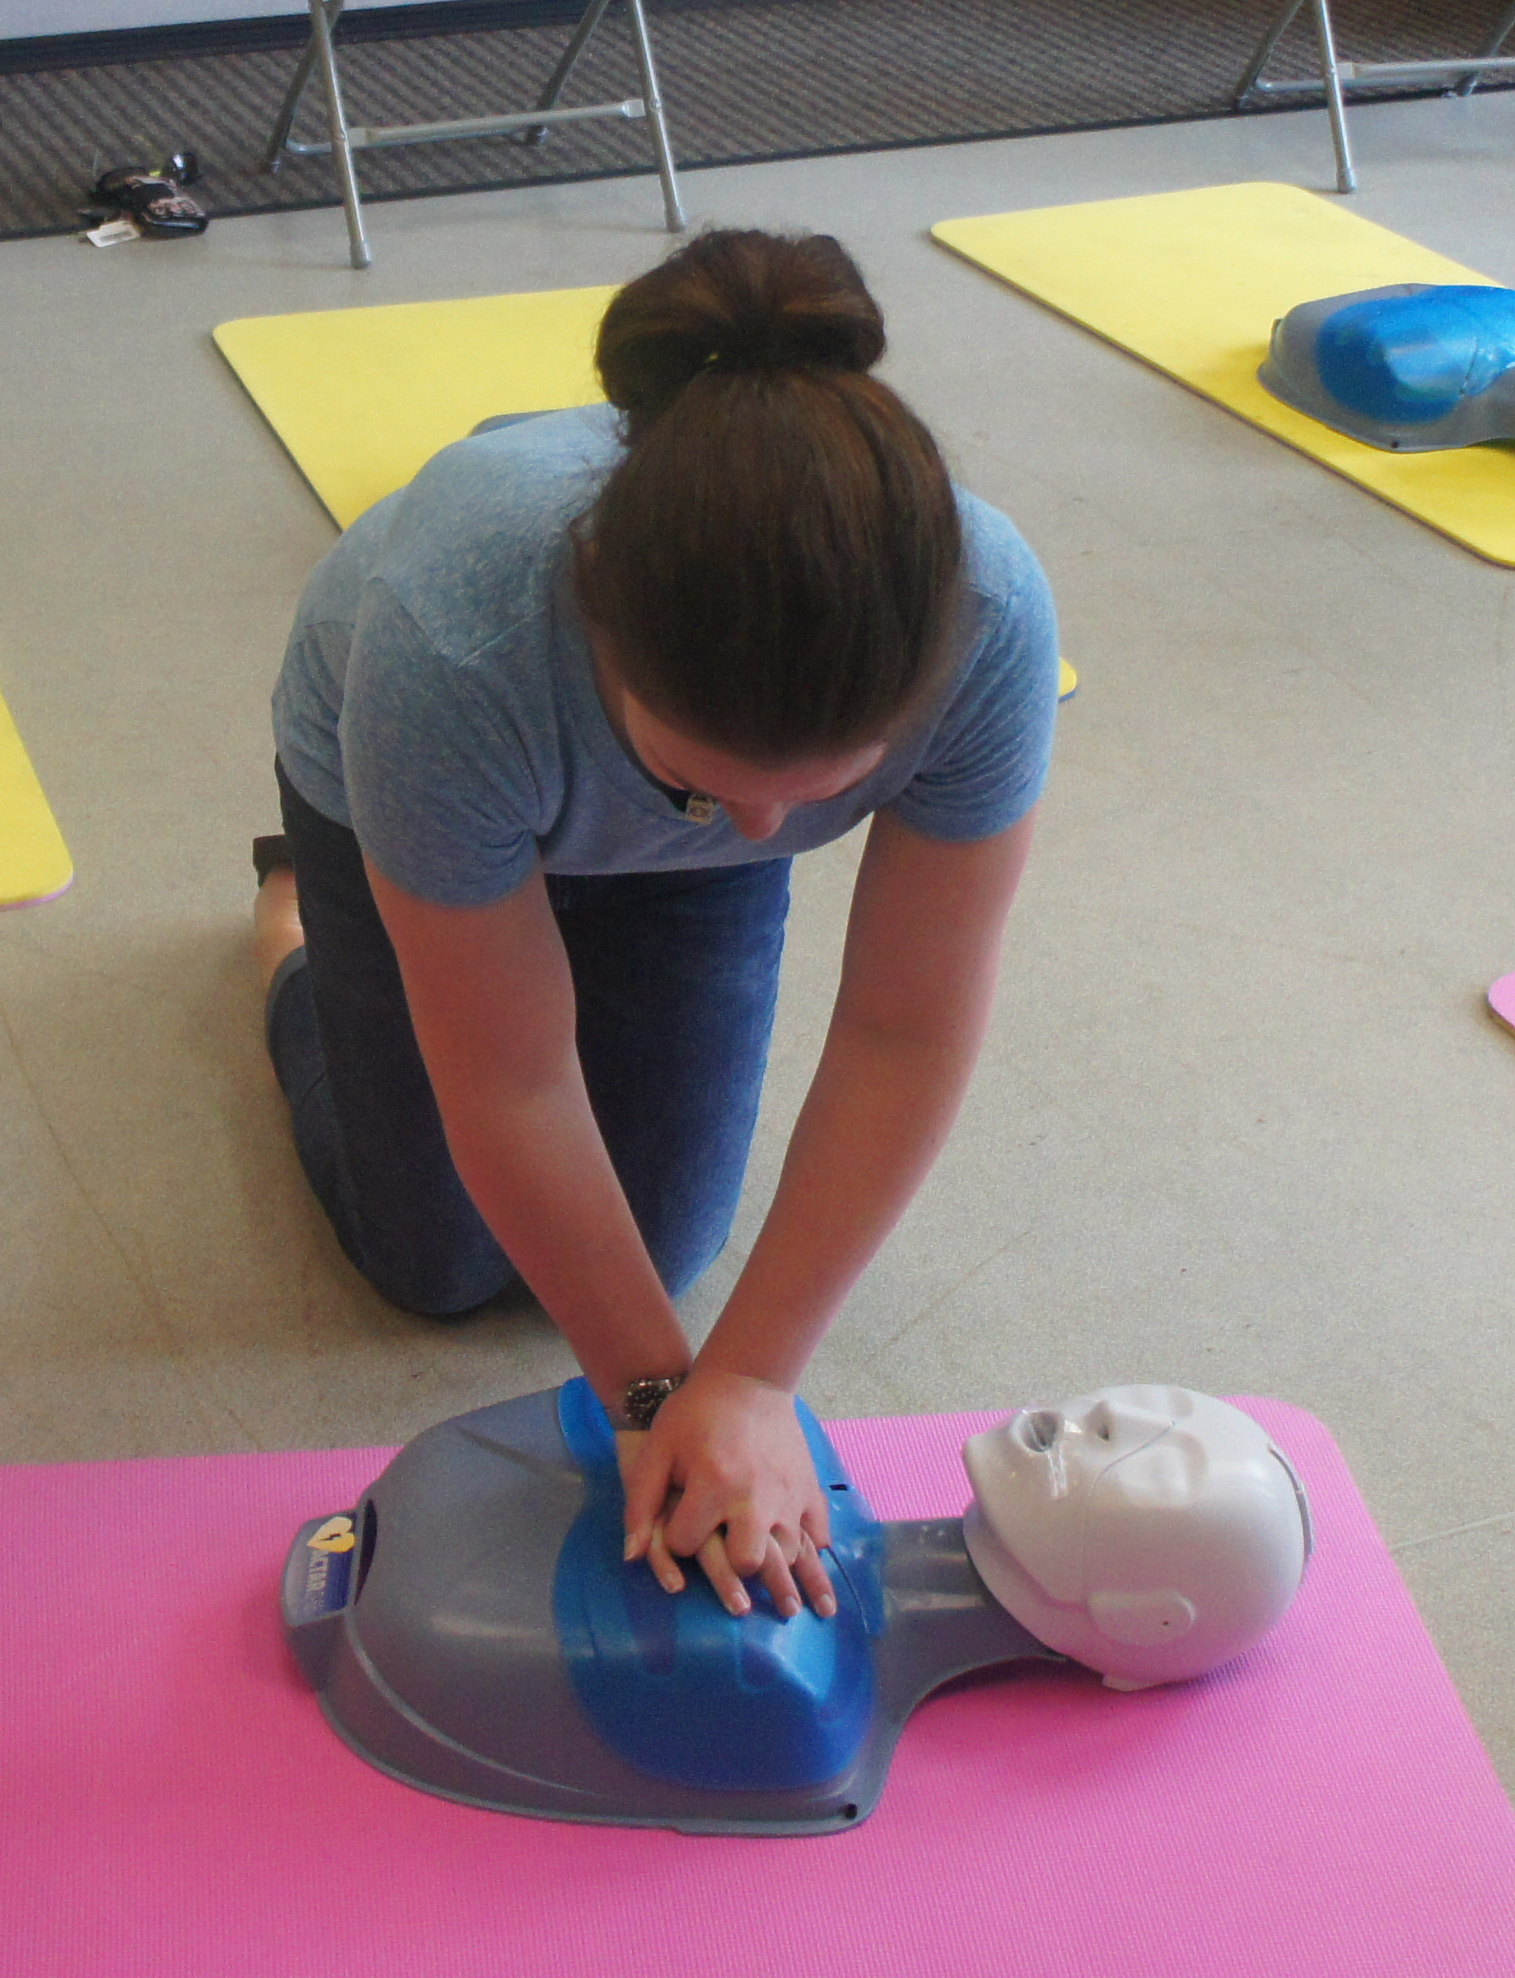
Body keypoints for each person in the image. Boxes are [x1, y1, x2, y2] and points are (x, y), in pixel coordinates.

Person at [255, 227, 1057, 1631]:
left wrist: (746, 1378)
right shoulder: (452, 647)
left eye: (813, 799)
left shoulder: (987, 626)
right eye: (709, 780)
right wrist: (645, 1391)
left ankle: (616, 830)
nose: (763, 836)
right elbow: (508, 1077)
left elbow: (903, 1023)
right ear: (608, 642)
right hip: (391, 773)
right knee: (434, 1267)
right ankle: (295, 936)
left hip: (613, 805)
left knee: (675, 1238)